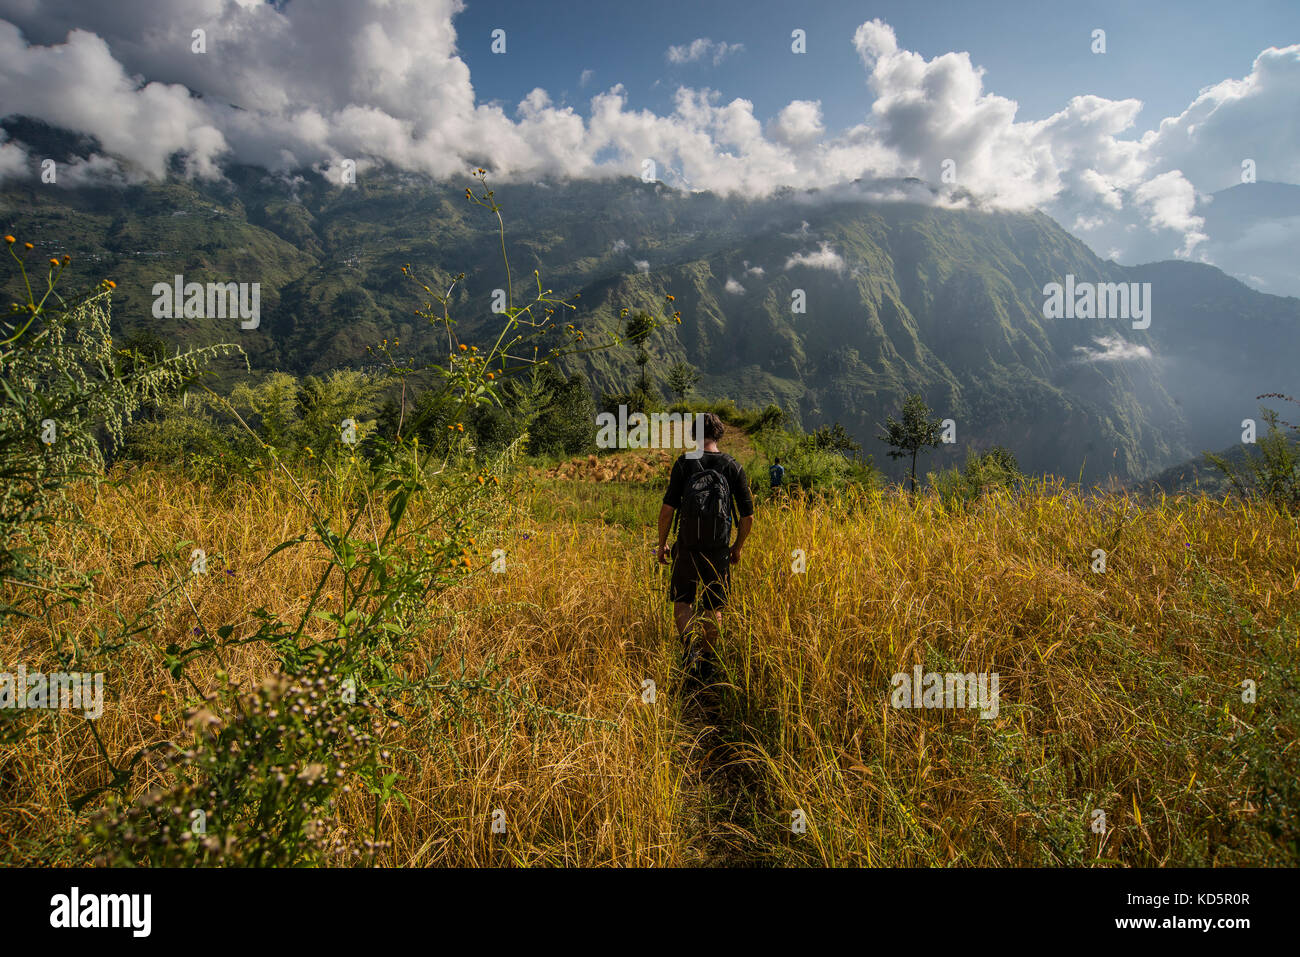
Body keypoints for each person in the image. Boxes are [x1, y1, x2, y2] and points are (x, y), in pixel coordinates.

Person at [655, 412, 753, 686]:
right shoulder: (732, 466)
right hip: (718, 549)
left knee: (683, 600)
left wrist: (662, 543)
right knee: (714, 606)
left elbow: (667, 510)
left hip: (686, 546)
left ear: (694, 435)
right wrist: (737, 547)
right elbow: (748, 517)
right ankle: (708, 664)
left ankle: (689, 655)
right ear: (719, 434)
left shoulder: (684, 463)